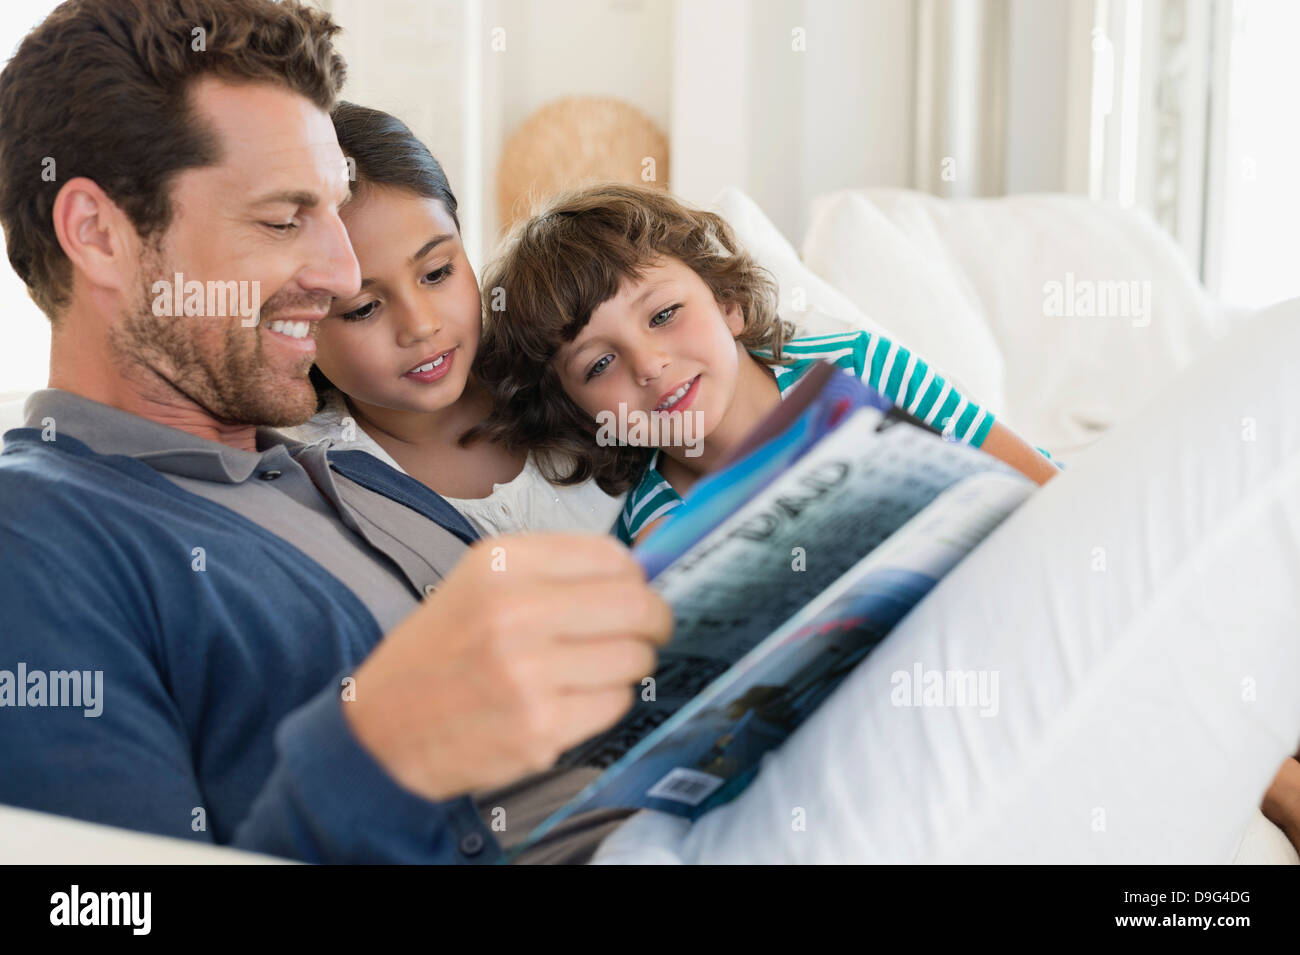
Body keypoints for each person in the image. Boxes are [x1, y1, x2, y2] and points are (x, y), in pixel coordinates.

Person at [0, 0, 667, 864]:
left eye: (333, 211)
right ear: (99, 236)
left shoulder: (335, 467)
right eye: (283, 219)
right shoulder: (37, 540)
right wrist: (379, 752)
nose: (339, 272)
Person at [474, 183, 1061, 546]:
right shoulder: (656, 520)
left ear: (727, 303)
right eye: (599, 364)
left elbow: (1044, 486)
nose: (649, 365)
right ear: (580, 413)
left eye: (663, 315)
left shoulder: (853, 364)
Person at [286, 102, 623, 537]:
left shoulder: (568, 367)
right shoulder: (304, 483)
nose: (422, 325)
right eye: (363, 308)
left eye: (437, 273)